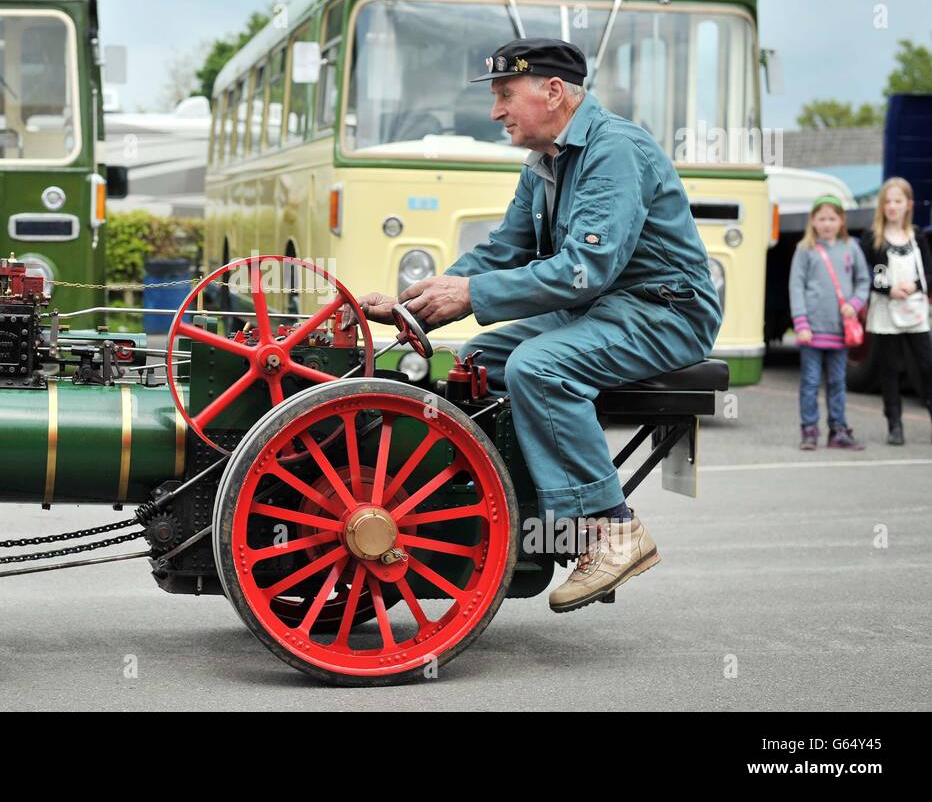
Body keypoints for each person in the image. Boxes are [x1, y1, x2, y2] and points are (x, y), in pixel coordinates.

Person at [350, 38, 721, 613]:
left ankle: (609, 530)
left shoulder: (615, 150)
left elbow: (584, 270)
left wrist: (472, 293)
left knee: (540, 367)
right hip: (603, 307)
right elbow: (503, 252)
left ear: (553, 92)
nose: (495, 111)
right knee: (480, 361)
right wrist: (410, 305)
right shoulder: (545, 161)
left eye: (505, 95)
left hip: (665, 311)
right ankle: (510, 510)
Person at [788, 195, 870, 450]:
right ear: (812, 221)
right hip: (811, 331)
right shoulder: (805, 250)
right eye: (821, 218)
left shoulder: (851, 248)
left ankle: (838, 430)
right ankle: (809, 430)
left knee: (837, 382)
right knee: (810, 382)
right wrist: (801, 324)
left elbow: (864, 281)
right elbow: (796, 286)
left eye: (832, 218)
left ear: (842, 220)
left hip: (840, 331)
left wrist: (855, 304)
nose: (827, 223)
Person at [859, 177, 932, 444]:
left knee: (927, 364)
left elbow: (928, 273)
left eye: (898, 201)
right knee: (891, 368)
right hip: (886, 311)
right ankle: (895, 425)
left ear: (908, 205)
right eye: (887, 201)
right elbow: (872, 274)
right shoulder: (873, 240)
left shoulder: (918, 237)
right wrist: (889, 289)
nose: (892, 207)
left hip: (914, 312)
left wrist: (913, 286)